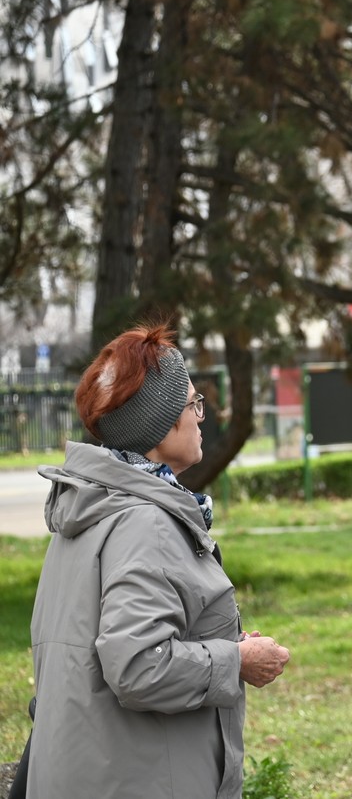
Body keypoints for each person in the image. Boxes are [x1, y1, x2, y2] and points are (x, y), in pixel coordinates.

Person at [27, 324, 290, 799]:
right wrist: (237, 660)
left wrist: (217, 645)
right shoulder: (145, 523)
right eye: (193, 404)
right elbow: (139, 666)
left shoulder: (91, 510)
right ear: (163, 423)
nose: (201, 417)